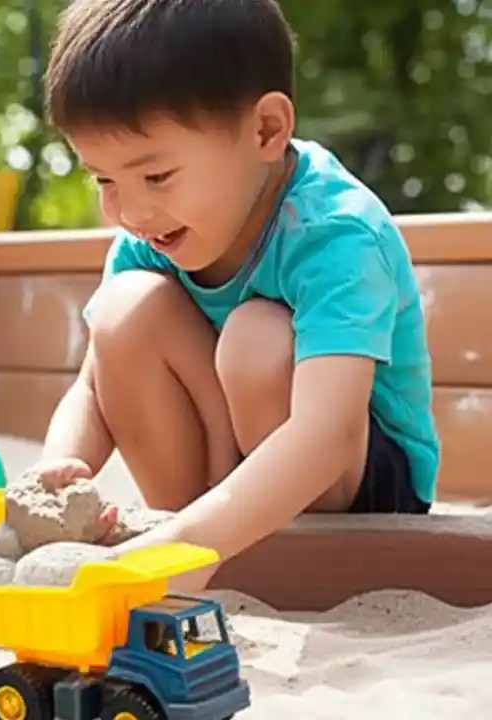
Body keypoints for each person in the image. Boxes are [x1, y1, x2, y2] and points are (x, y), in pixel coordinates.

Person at [28, 0, 440, 589]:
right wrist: (58, 468)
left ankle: (196, 542)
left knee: (255, 338)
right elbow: (93, 384)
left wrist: (174, 547)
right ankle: (202, 535)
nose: (131, 210)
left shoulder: (337, 234)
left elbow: (328, 436)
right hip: (224, 482)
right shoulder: (154, 235)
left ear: (267, 130)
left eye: (156, 176)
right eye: (105, 180)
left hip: (355, 492)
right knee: (124, 311)